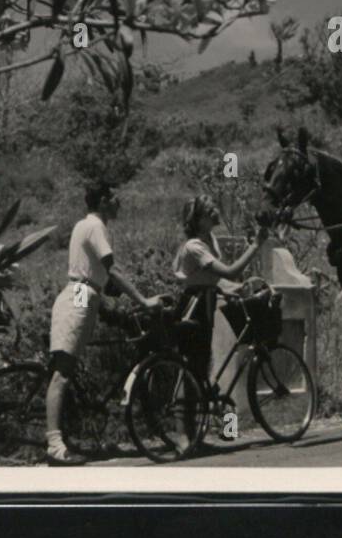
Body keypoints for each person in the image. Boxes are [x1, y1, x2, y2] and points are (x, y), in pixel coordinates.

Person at [46, 183, 162, 466]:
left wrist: (122, 300)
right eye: (113, 196)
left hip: (82, 294)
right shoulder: (96, 226)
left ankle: (60, 436)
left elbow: (103, 278)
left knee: (65, 370)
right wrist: (144, 300)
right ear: (102, 201)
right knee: (62, 374)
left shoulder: (84, 226)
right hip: (80, 297)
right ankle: (54, 444)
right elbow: (113, 269)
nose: (118, 201)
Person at [172, 195, 268, 386]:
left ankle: (201, 406)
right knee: (196, 363)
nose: (215, 212)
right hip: (193, 307)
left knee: (203, 361)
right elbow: (230, 273)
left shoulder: (210, 240)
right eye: (209, 212)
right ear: (199, 221)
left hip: (206, 301)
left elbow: (207, 279)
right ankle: (191, 411)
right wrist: (256, 245)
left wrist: (224, 292)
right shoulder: (194, 247)